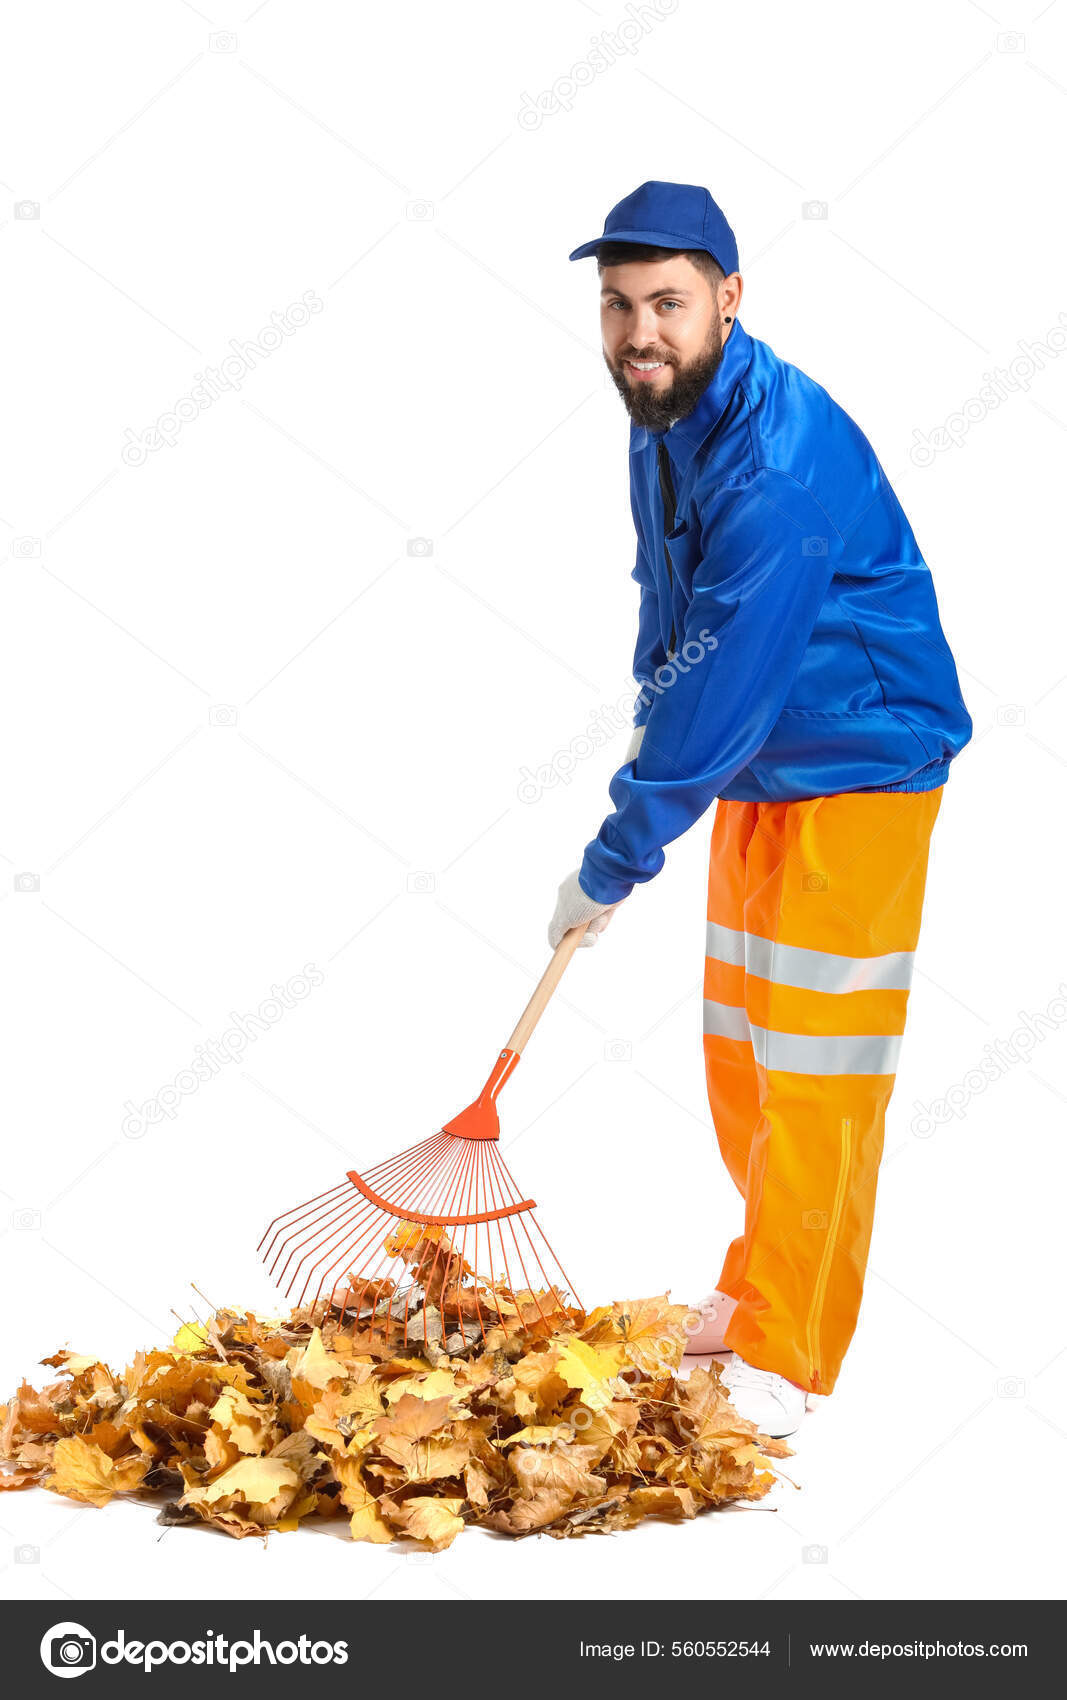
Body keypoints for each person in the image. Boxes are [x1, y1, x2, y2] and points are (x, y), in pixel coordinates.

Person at [548, 181, 972, 1437]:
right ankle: (759, 1286)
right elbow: (669, 590)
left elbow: (730, 664)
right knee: (741, 1049)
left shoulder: (776, 467)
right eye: (618, 305)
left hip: (858, 762)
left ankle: (788, 1351)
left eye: (667, 302)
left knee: (817, 1067)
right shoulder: (661, 411)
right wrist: (647, 704)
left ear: (728, 300)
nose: (639, 330)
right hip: (759, 763)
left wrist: (619, 847)